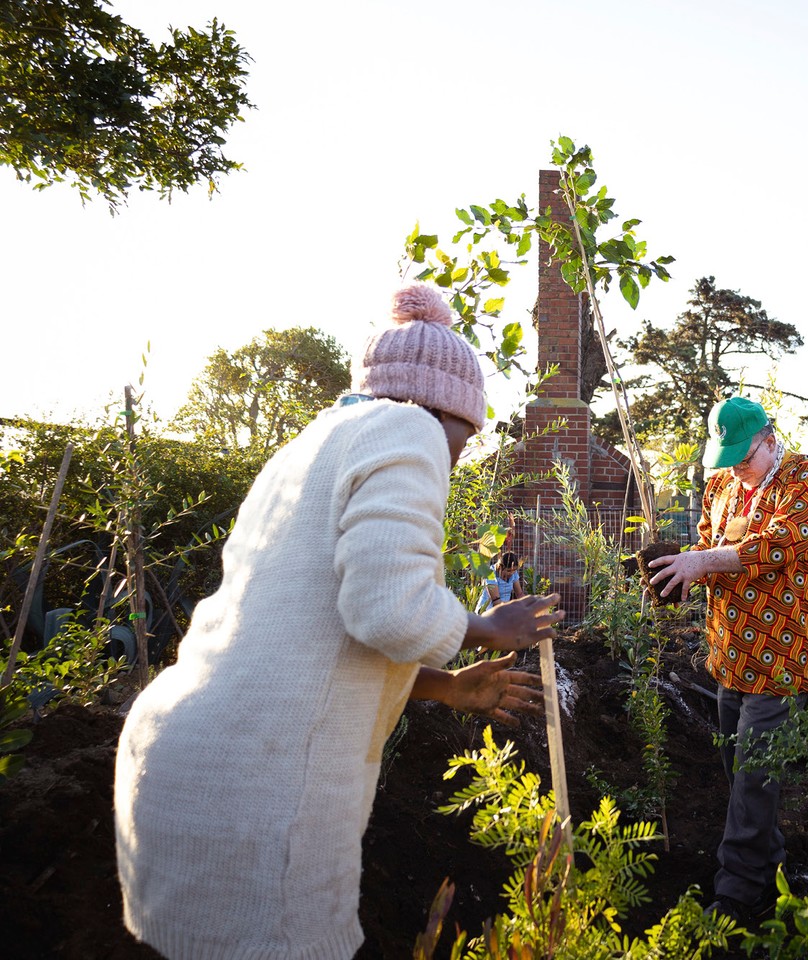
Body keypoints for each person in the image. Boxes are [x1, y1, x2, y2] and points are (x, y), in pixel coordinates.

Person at [114, 284, 565, 960]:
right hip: (256, 798)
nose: (460, 457)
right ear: (443, 408)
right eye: (466, 437)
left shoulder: (309, 446)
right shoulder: (409, 428)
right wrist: (486, 625)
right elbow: (387, 611)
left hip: (184, 765)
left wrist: (447, 687)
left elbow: (303, 641)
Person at [646, 396, 808, 925]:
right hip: (730, 653)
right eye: (727, 457)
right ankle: (771, 867)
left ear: (770, 440)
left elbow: (776, 547)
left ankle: (736, 895)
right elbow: (709, 551)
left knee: (755, 772)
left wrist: (701, 560)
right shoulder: (721, 487)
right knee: (741, 773)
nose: (736, 467)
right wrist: (678, 574)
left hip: (781, 658)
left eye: (744, 456)